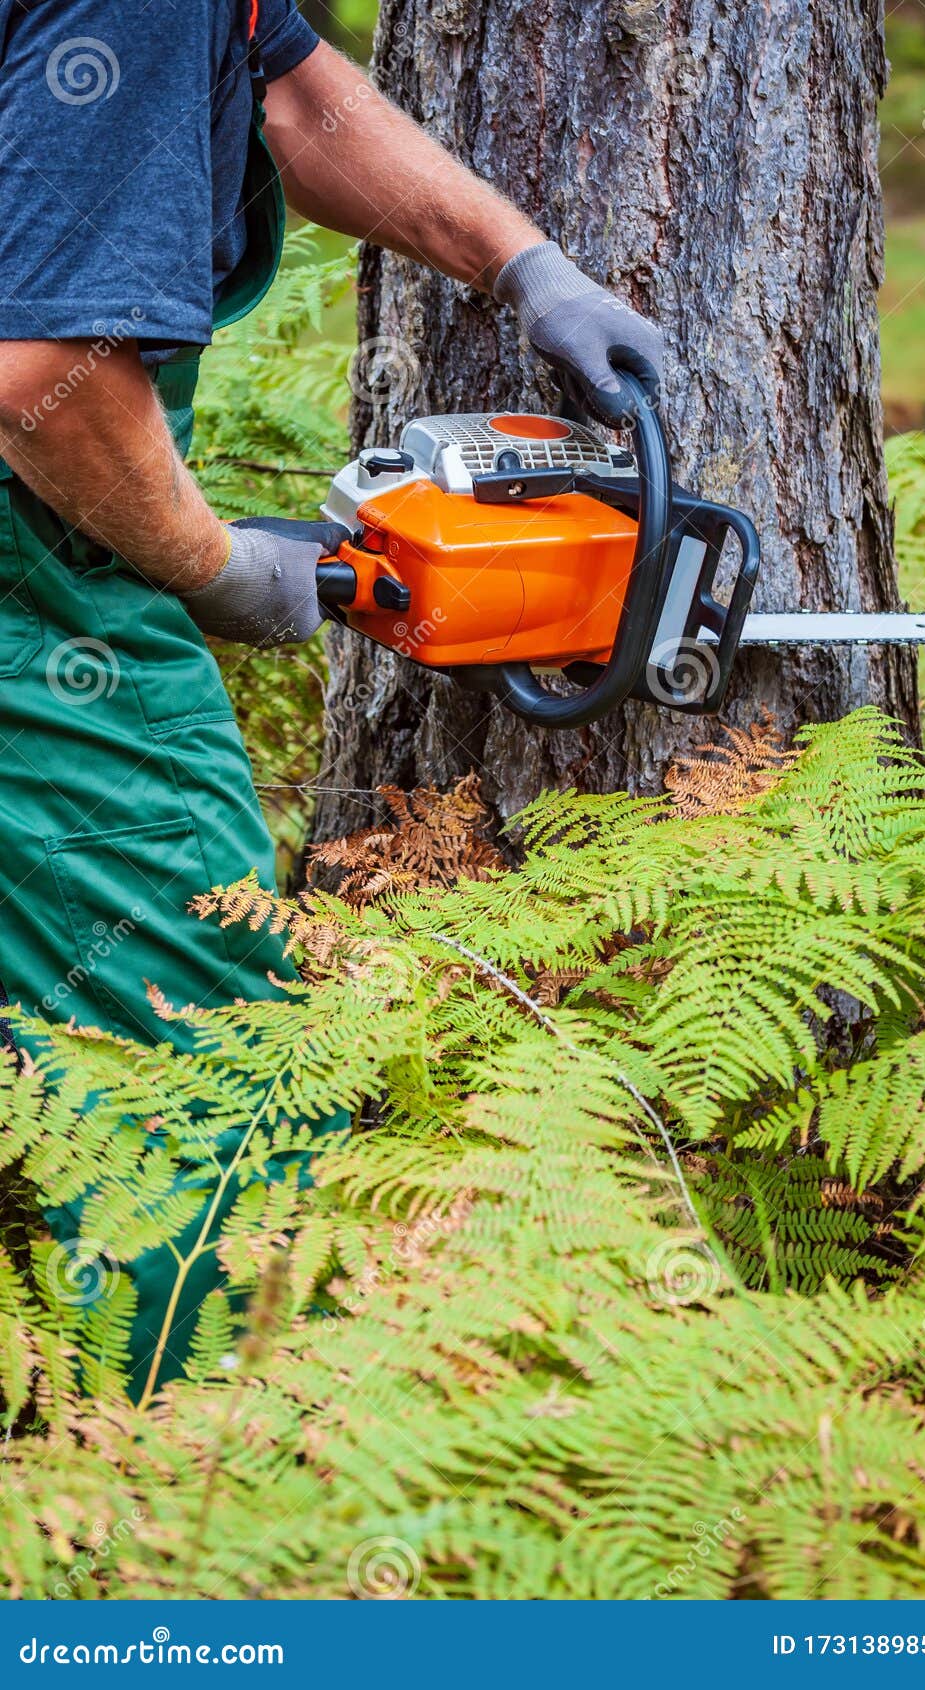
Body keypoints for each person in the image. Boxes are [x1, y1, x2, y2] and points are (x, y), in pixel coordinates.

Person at [0, 0, 663, 1391]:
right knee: (204, 1054)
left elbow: (291, 96)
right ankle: (205, 1504)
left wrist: (520, 263)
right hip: (38, 581)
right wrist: (219, 563)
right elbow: (46, 382)